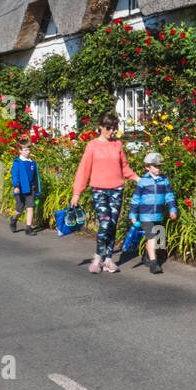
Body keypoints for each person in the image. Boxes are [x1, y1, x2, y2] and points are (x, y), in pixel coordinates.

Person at [71, 110, 139, 273]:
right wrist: (77, 192)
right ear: (100, 127)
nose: (111, 131)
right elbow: (84, 170)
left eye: (114, 128)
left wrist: (138, 178)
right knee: (105, 222)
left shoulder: (118, 145)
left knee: (113, 224)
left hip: (117, 189)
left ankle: (108, 260)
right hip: (99, 190)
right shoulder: (92, 146)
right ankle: (97, 258)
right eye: (108, 128)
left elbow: (124, 167)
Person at [128, 152, 178, 274]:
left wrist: (172, 209)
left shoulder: (164, 181)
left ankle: (146, 256)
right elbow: (136, 199)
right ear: (147, 167)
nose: (158, 168)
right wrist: (133, 215)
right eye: (155, 166)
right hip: (145, 215)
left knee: (156, 237)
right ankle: (154, 264)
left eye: (159, 166)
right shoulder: (143, 182)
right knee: (152, 237)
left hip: (158, 214)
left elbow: (169, 196)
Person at [10, 138, 42, 235]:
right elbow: (15, 175)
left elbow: (36, 177)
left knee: (30, 207)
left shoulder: (32, 163)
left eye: (29, 149)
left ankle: (28, 228)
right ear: (20, 151)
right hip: (20, 189)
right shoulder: (17, 162)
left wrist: (37, 189)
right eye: (25, 150)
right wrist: (16, 186)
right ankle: (14, 219)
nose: (28, 152)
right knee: (19, 210)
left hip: (31, 189)